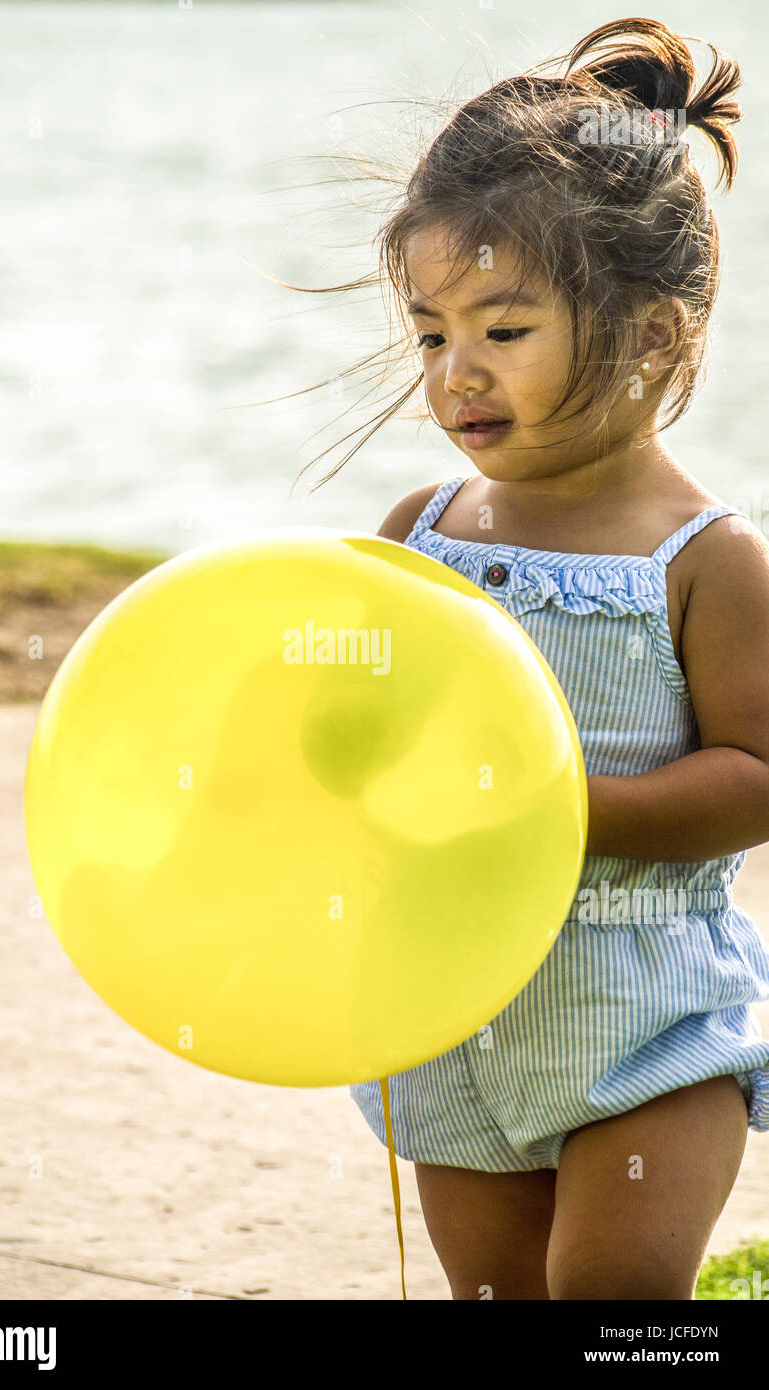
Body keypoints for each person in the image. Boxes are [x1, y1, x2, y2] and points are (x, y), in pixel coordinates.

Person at [298, 17, 769, 1299]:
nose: (457, 376)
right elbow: (360, 735)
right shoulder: (421, 534)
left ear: (657, 337)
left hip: (644, 1027)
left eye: (504, 330)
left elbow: (757, 771)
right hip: (452, 1015)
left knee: (615, 1302)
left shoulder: (706, 559)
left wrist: (562, 812)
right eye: (433, 331)